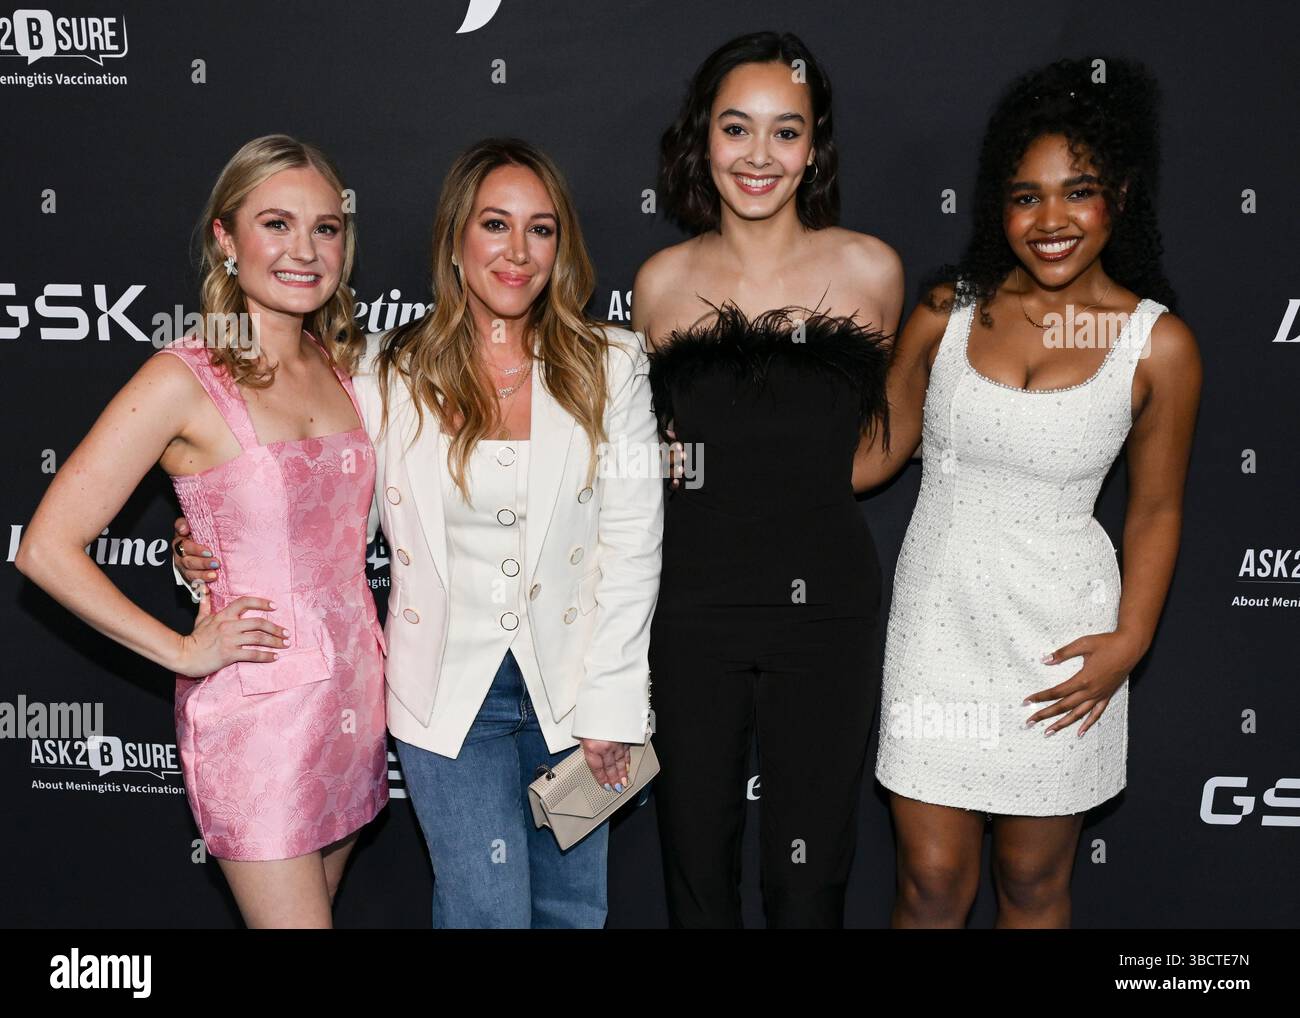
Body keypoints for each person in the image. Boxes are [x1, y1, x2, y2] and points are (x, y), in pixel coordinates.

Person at [179, 137, 663, 928]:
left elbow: (633, 544)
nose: (517, 252)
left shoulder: (611, 363)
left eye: (540, 229)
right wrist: (200, 544)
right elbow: (312, 512)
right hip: (446, 698)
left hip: (576, 694)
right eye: (495, 225)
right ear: (456, 240)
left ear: (562, 245)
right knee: (487, 914)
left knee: (572, 913)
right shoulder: (384, 371)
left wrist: (613, 707)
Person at [856, 58, 1202, 928]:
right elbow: (869, 457)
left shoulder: (1158, 347)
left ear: (1118, 195)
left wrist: (1130, 642)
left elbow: (1157, 507)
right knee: (930, 885)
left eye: (1076, 191)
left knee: (1033, 884)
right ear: (997, 207)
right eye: (1024, 197)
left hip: (1061, 645)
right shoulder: (947, 309)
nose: (1050, 221)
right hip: (938, 626)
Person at [18, 134, 388, 928]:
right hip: (261, 720)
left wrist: (201, 556)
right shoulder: (183, 377)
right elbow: (46, 547)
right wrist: (184, 651)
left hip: (356, 701)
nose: (303, 250)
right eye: (276, 224)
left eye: (326, 228)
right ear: (226, 239)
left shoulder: (342, 366)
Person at [633, 31, 899, 928]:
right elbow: (660, 458)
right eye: (735, 128)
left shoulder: (871, 270)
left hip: (829, 610)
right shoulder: (660, 284)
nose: (758, 156)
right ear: (701, 139)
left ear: (815, 144)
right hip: (692, 611)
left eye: (785, 132)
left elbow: (870, 447)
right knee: (695, 871)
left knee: (811, 876)